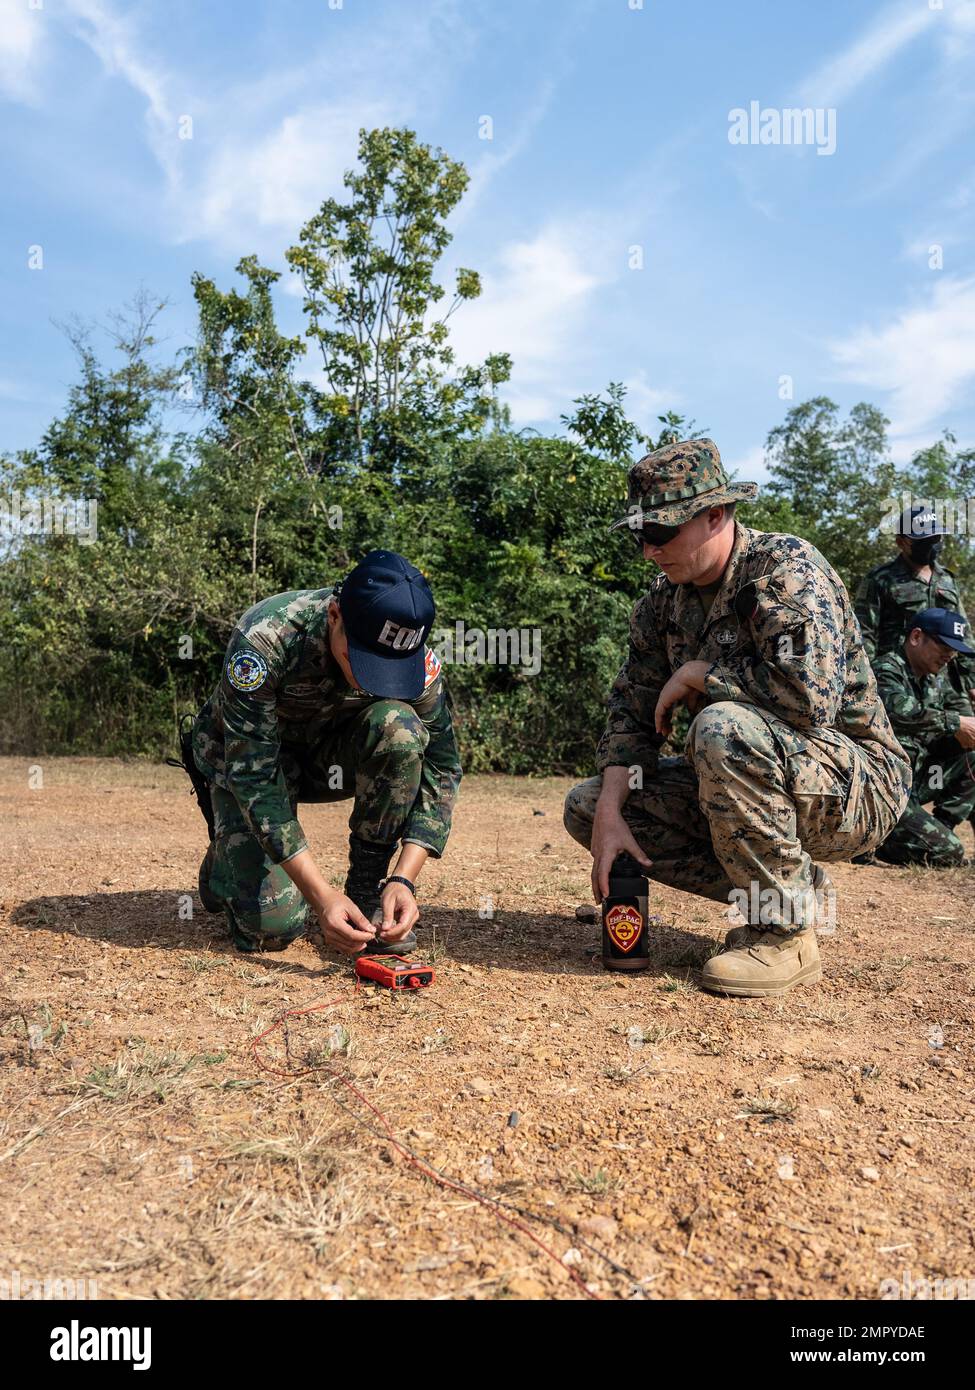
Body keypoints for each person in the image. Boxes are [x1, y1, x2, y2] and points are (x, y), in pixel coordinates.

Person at [563, 438, 911, 997]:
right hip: (762, 770)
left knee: (721, 726)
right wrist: (609, 814)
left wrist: (703, 674)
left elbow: (809, 700)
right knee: (589, 806)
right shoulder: (661, 604)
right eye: (639, 536)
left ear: (716, 515)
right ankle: (796, 886)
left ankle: (784, 932)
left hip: (857, 783)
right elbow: (630, 714)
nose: (648, 551)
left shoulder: (785, 571)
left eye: (659, 533)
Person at [187, 550, 462, 956]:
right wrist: (321, 899)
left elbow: (442, 764)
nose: (372, 677)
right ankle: (226, 859)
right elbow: (255, 776)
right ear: (335, 615)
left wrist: (403, 879)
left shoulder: (415, 655)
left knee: (399, 728)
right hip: (253, 764)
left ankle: (366, 888)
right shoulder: (267, 636)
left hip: (327, 761)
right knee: (272, 930)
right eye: (363, 659)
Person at [872, 608, 975, 866]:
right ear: (916, 637)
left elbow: (944, 727)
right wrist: (954, 723)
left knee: (971, 756)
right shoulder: (885, 669)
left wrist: (962, 735)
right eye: (944, 645)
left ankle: (940, 827)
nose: (950, 655)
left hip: (920, 782)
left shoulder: (932, 681)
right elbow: (895, 710)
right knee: (949, 854)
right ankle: (885, 843)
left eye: (955, 649)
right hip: (885, 788)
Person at [855, 504, 975, 703]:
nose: (931, 545)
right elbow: (863, 634)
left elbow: (963, 633)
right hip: (900, 679)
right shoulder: (881, 579)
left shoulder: (947, 580)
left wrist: (971, 680)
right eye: (923, 541)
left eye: (935, 538)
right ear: (901, 542)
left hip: (947, 683)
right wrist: (867, 682)